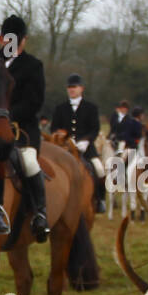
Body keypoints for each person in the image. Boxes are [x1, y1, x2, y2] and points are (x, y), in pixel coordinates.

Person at [0, 15, 47, 240]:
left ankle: (39, 213)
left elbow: (34, 102)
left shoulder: (33, 66)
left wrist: (6, 116)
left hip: (22, 131)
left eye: (18, 39)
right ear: (1, 39)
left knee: (28, 162)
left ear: (24, 40)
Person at [49, 74, 106, 212]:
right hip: (64, 148)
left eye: (74, 87)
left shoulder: (91, 108)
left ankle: (100, 200)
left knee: (99, 169)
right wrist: (61, 135)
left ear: (82, 89)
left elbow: (95, 129)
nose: (72, 89)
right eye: (69, 87)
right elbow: (53, 128)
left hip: (86, 148)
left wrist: (86, 141)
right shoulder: (60, 108)